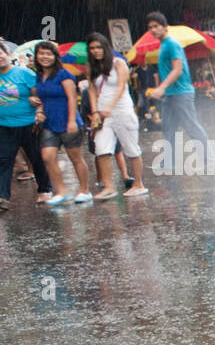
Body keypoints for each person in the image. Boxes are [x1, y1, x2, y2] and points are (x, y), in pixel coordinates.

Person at [145, 11, 210, 172]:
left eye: (156, 26)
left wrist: (161, 87)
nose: (153, 30)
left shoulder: (172, 44)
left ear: (165, 27)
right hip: (170, 94)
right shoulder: (164, 45)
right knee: (169, 128)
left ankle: (210, 160)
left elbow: (177, 70)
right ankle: (169, 162)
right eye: (150, 27)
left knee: (191, 126)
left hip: (181, 93)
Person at [84, 32, 146, 199]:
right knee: (101, 149)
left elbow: (121, 87)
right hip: (102, 115)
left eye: (98, 47)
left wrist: (109, 107)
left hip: (122, 110)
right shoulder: (91, 66)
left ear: (105, 47)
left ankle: (138, 184)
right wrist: (95, 111)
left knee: (131, 149)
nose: (96, 51)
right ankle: (109, 187)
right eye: (92, 48)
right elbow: (92, 89)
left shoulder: (118, 63)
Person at [30, 40, 91, 204]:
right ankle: (61, 191)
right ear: (36, 56)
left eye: (48, 54)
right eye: (41, 53)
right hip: (49, 123)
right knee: (47, 157)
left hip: (68, 121)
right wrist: (39, 109)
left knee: (75, 157)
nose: (45, 57)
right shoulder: (39, 76)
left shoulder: (64, 74)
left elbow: (72, 98)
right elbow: (42, 98)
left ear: (55, 57)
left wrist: (72, 121)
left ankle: (85, 190)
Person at [0, 46, 59, 211]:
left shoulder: (24, 73)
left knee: (36, 158)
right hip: (4, 125)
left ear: (8, 54)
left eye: (1, 53)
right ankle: (3, 197)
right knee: (3, 160)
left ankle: (45, 189)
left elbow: (39, 95)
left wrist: (39, 109)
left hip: (29, 124)